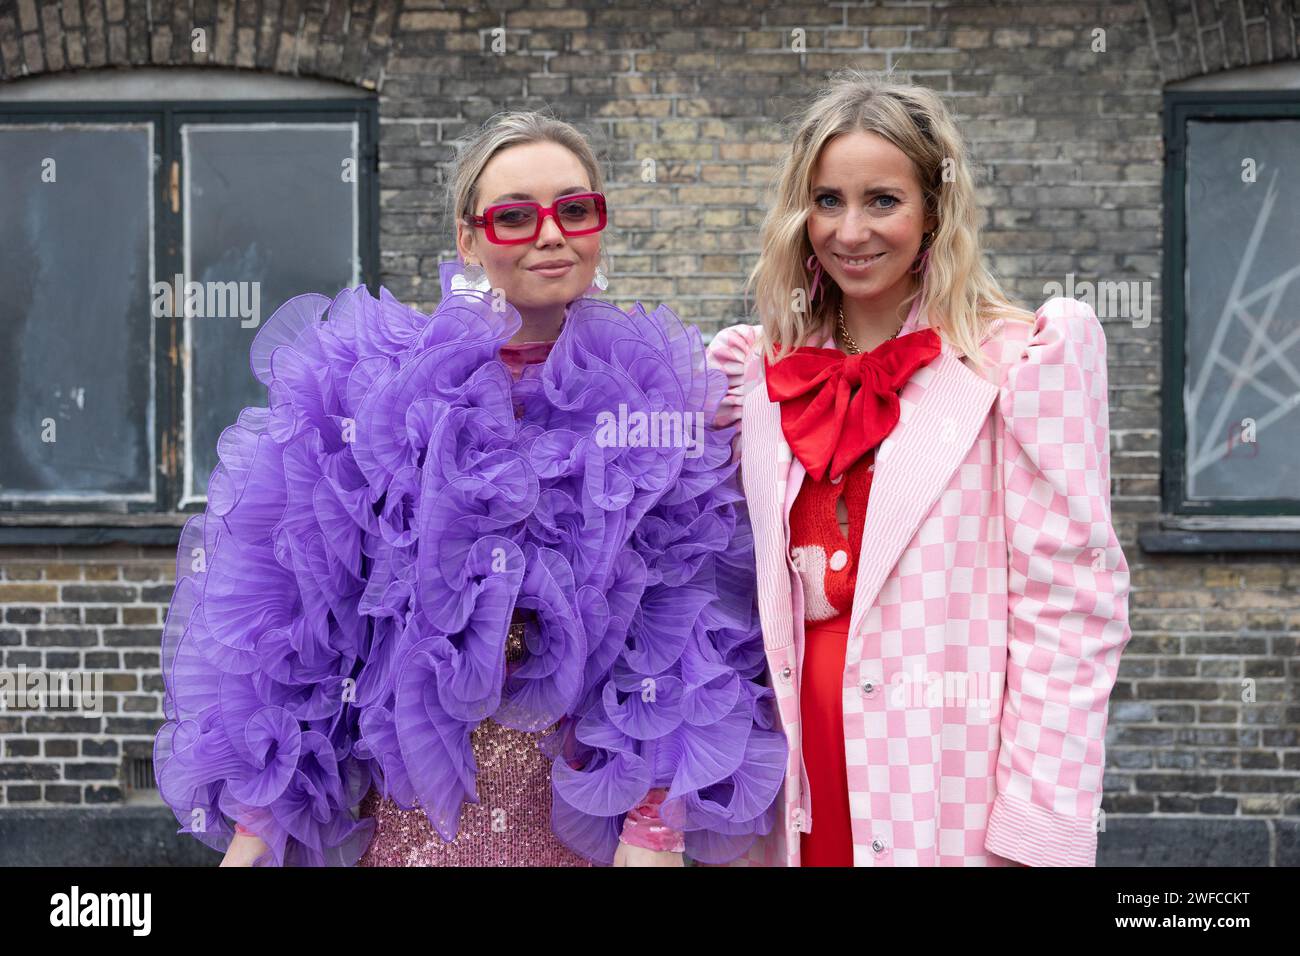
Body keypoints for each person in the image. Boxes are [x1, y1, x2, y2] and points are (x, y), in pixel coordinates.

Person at [154, 110, 786, 867]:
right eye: (515, 216)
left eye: (574, 209)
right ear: (468, 237)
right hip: (404, 830)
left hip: (578, 832)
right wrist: (257, 835)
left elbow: (685, 646)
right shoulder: (372, 398)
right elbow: (305, 632)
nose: (551, 234)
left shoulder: (657, 409)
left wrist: (651, 836)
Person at [707, 71, 1132, 866]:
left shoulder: (1022, 361)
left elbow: (1072, 615)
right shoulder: (756, 374)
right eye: (828, 200)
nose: (851, 230)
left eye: (883, 200)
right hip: (789, 800)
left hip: (946, 797)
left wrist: (1033, 834)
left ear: (934, 210)